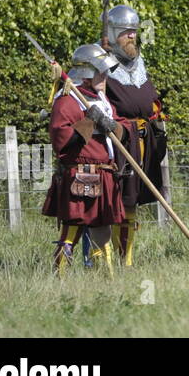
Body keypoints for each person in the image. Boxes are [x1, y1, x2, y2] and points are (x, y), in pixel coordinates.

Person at [43, 44, 126, 276]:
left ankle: (105, 280)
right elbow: (61, 138)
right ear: (87, 72)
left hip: (105, 172)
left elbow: (119, 129)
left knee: (103, 229)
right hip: (81, 173)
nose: (105, 76)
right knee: (72, 228)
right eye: (101, 71)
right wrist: (90, 121)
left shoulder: (101, 100)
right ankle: (58, 278)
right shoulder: (68, 100)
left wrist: (113, 126)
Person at [99, 4, 165, 267]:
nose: (131, 37)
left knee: (132, 204)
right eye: (126, 32)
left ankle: (126, 260)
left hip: (141, 143)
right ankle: (104, 262)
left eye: (134, 32)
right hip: (116, 145)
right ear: (112, 33)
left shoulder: (138, 62)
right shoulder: (100, 62)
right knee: (114, 203)